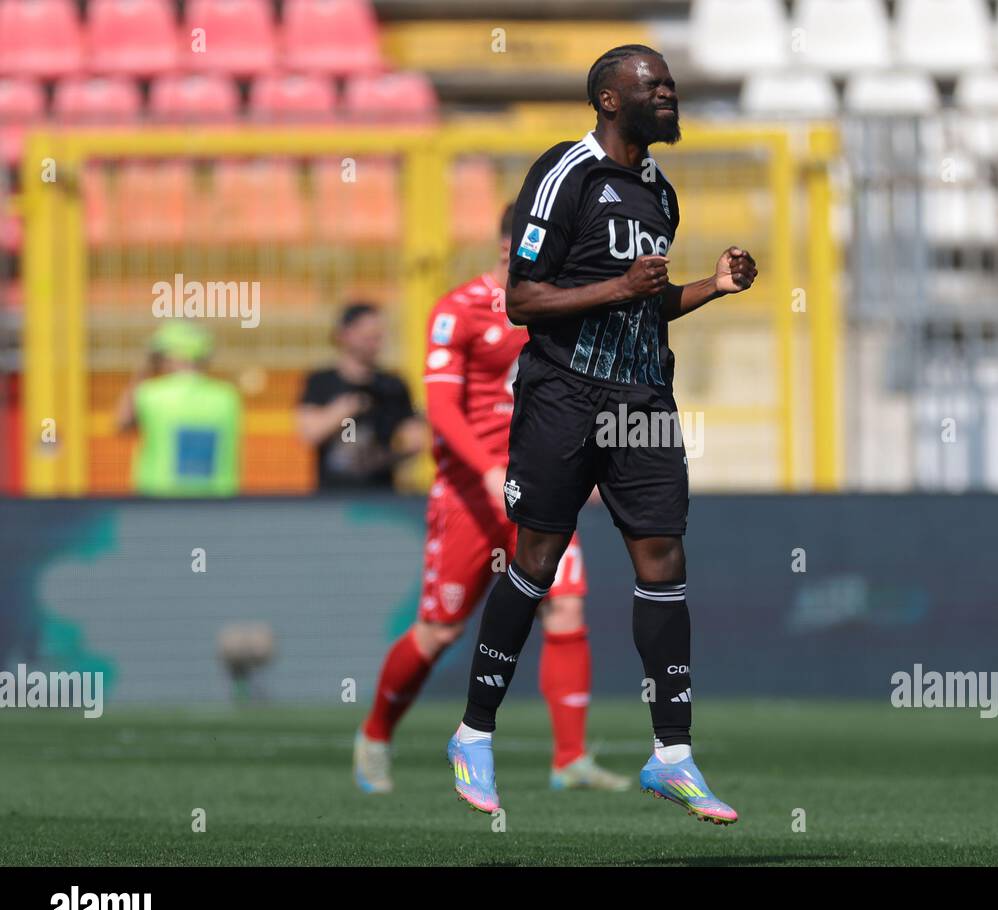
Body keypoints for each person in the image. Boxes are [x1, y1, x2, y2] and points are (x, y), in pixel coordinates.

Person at [445, 45, 758, 825]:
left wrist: (710, 289)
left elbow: (645, 307)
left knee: (663, 555)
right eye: (653, 85)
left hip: (643, 395)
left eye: (671, 84)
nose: (669, 94)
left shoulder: (661, 192)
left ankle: (672, 755)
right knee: (538, 558)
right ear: (610, 101)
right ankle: (473, 733)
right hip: (565, 395)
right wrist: (618, 285)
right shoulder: (566, 173)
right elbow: (521, 300)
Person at [353, 205, 629, 794]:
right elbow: (443, 409)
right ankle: (375, 734)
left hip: (540, 491)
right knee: (439, 630)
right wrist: (482, 470)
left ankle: (570, 758)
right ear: (508, 247)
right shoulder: (458, 311)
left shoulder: (568, 311)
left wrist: (596, 464)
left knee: (566, 606)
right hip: (468, 497)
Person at [297, 303, 425, 492]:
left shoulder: (393, 385)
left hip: (381, 494)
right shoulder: (321, 381)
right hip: (331, 496)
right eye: (367, 337)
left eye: (377, 337)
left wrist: (383, 455)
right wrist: (344, 410)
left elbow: (415, 439)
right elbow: (308, 431)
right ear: (344, 334)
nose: (374, 343)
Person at [117, 319, 242, 497]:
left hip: (159, 500)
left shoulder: (150, 394)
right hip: (216, 501)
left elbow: (122, 423)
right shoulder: (228, 397)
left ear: (170, 356)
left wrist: (143, 370)